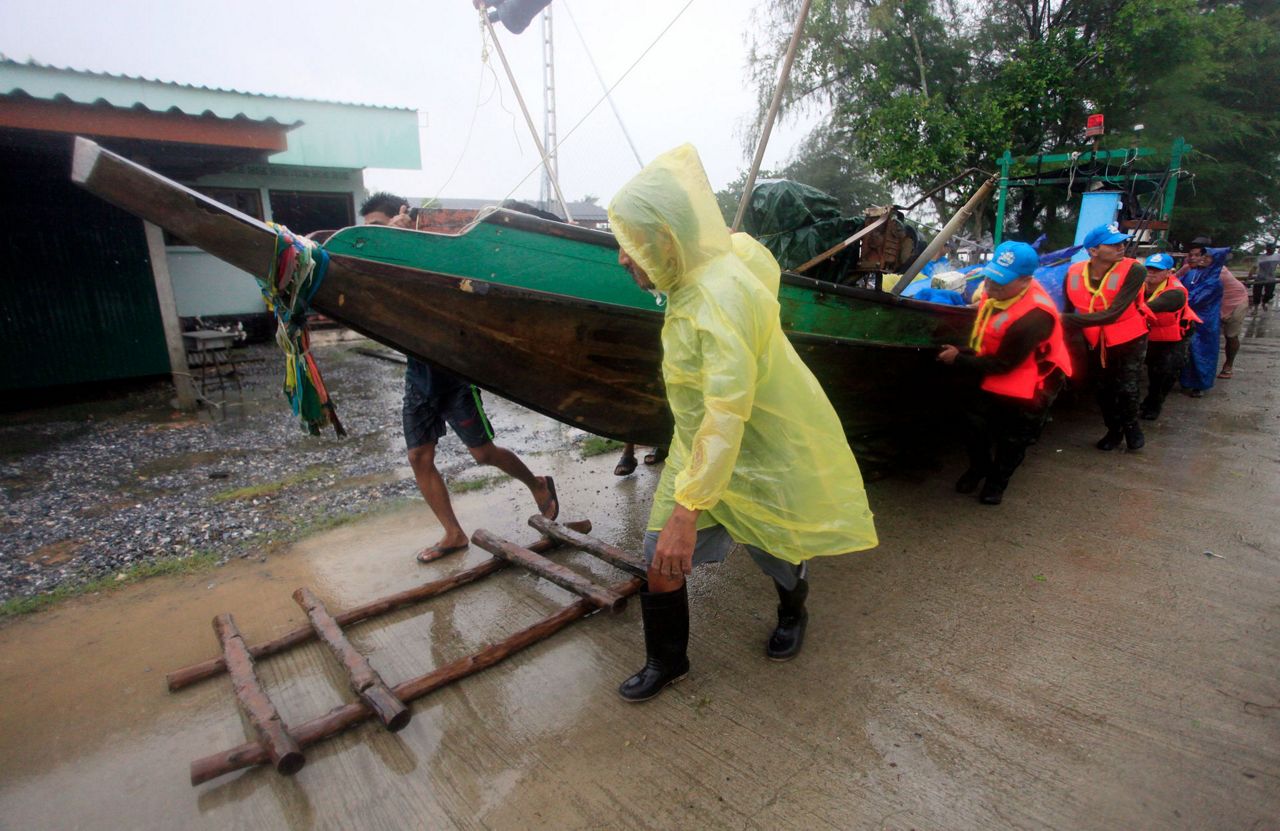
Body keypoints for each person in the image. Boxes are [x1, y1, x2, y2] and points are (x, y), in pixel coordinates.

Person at [606, 144, 878, 702]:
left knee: (778, 552)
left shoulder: (716, 302)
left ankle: (793, 609)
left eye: (628, 245)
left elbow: (728, 410)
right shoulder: (708, 266)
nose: (621, 259)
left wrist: (688, 509)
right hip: (698, 445)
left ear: (664, 240)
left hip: (754, 449)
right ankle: (668, 661)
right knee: (661, 558)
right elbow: (754, 256)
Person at [360, 193, 558, 563]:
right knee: (420, 455)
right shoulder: (375, 261)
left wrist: (408, 240)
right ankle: (453, 534)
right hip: (418, 372)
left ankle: (538, 483)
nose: (370, 235)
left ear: (400, 218)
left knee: (482, 454)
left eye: (376, 227)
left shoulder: (431, 248)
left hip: (452, 369)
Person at [936, 241, 1071, 505]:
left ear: (1025, 281)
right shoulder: (996, 291)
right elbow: (988, 331)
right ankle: (979, 467)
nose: (991, 287)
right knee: (972, 422)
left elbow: (1004, 364)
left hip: (1033, 378)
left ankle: (997, 482)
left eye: (1001, 282)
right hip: (996, 364)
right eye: (991, 278)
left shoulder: (1035, 317)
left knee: (1014, 437)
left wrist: (958, 358)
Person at [1061, 223, 1151, 451]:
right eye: (1113, 244)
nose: (1121, 247)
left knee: (1127, 387)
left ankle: (1131, 427)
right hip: (1095, 340)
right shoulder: (1073, 272)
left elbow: (1113, 314)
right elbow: (1069, 308)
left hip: (1129, 337)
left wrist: (1064, 320)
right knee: (1103, 389)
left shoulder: (1135, 270)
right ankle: (1114, 429)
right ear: (1093, 251)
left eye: (1122, 242)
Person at [1139, 253, 1199, 420]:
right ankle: (1149, 400)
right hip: (1151, 334)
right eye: (1149, 269)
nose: (1151, 273)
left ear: (1169, 272)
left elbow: (1148, 308)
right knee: (1151, 369)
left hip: (1175, 337)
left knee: (1165, 372)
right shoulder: (1139, 285)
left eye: (1157, 270)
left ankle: (1155, 405)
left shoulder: (1176, 293)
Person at [1216, 260, 1249, 379]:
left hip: (1235, 302)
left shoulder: (1218, 270)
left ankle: (1228, 365)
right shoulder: (1189, 267)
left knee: (1231, 335)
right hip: (1216, 304)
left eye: (1200, 255)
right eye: (1191, 255)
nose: (1194, 258)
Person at [1248, 244, 1278, 311]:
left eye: (1273, 249)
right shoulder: (1261, 257)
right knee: (1256, 294)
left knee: (1269, 294)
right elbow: (1254, 267)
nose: (1272, 250)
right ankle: (1255, 308)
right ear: (1267, 249)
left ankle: (1264, 302)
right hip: (1260, 278)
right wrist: (1249, 276)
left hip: (1271, 279)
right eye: (1270, 249)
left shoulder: (1277, 256)